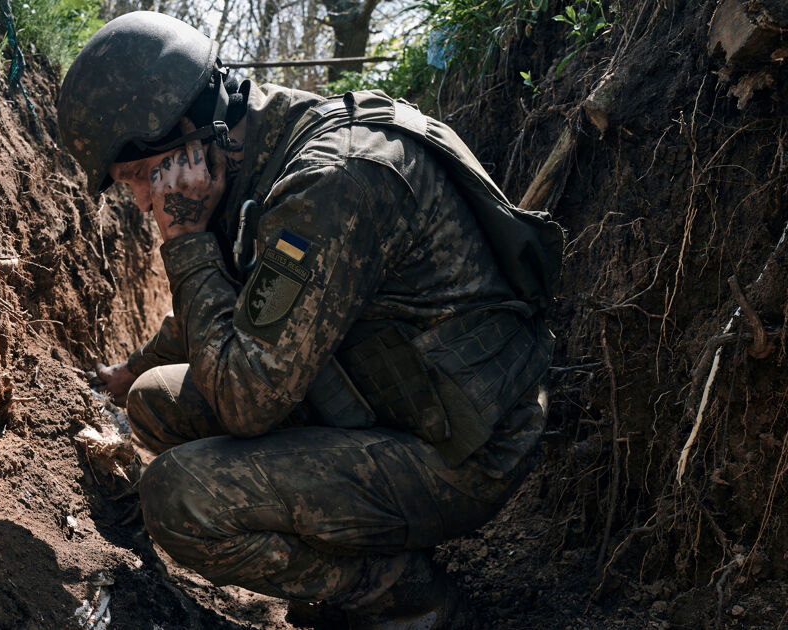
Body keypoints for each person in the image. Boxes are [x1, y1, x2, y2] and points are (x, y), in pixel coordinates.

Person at [57, 11, 562, 630]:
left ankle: (401, 595)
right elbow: (248, 302)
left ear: (186, 130)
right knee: (154, 399)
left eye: (136, 176)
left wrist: (185, 239)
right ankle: (361, 541)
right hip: (391, 404)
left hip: (463, 449)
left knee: (178, 496)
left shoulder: (326, 184)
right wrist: (131, 367)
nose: (140, 200)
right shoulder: (251, 152)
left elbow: (247, 401)